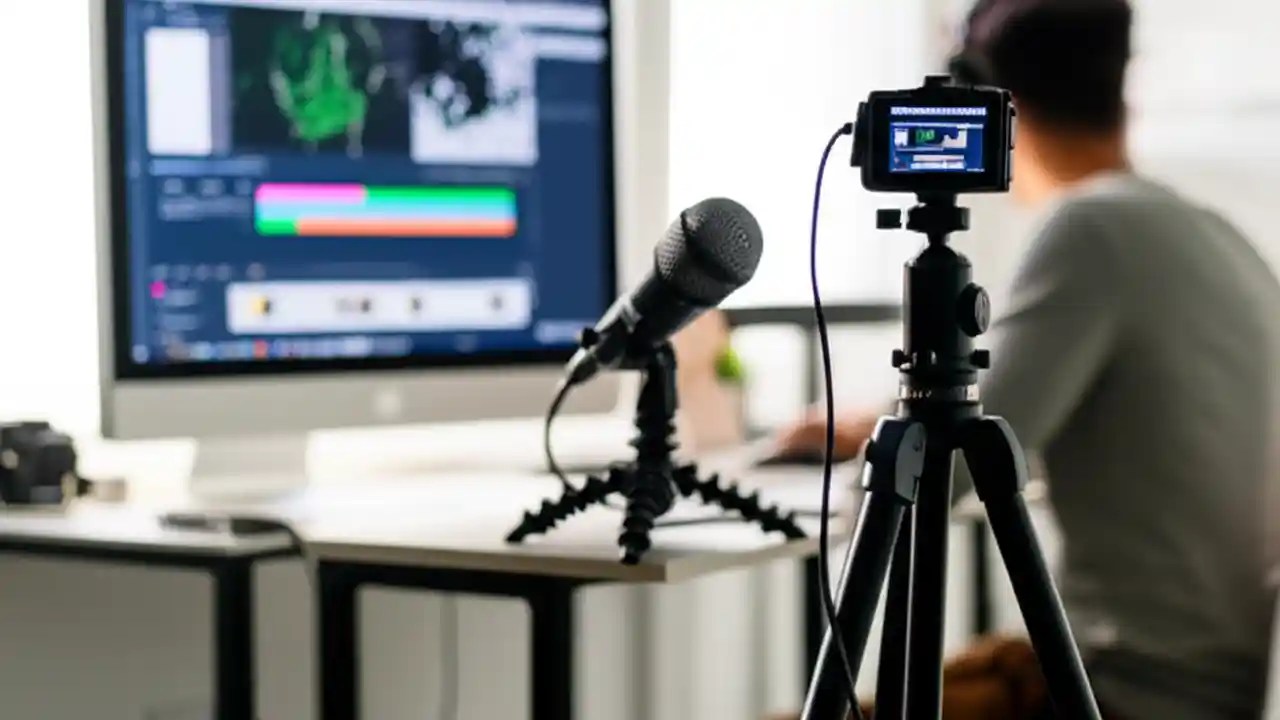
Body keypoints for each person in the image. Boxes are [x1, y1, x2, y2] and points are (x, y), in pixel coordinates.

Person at [773, 0, 1280, 717]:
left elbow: (940, 469)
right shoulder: (1211, 234)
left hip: (1128, 690)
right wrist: (882, 423)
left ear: (989, 96)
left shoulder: (1092, 227)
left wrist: (873, 444)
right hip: (1215, 676)